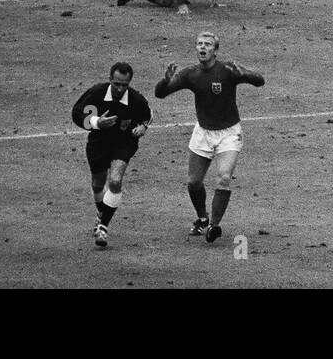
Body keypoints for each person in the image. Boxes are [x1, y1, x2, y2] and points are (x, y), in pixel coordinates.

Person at [154, 32, 265, 243]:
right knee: (193, 183)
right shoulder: (190, 74)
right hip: (203, 133)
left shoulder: (227, 70)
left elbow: (260, 81)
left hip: (229, 133)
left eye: (207, 44)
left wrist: (245, 72)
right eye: (199, 44)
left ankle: (213, 226)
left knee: (224, 178)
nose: (202, 47)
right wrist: (165, 80)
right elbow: (160, 94)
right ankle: (202, 218)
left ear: (215, 49)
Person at [70, 62, 153, 248]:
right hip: (98, 143)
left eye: (124, 84)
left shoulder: (136, 99)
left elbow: (147, 115)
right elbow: (76, 113)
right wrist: (97, 122)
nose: (120, 88)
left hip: (124, 144)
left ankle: (103, 227)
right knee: (98, 185)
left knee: (115, 181)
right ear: (110, 79)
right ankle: (102, 215)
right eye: (116, 83)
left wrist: (143, 127)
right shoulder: (97, 93)